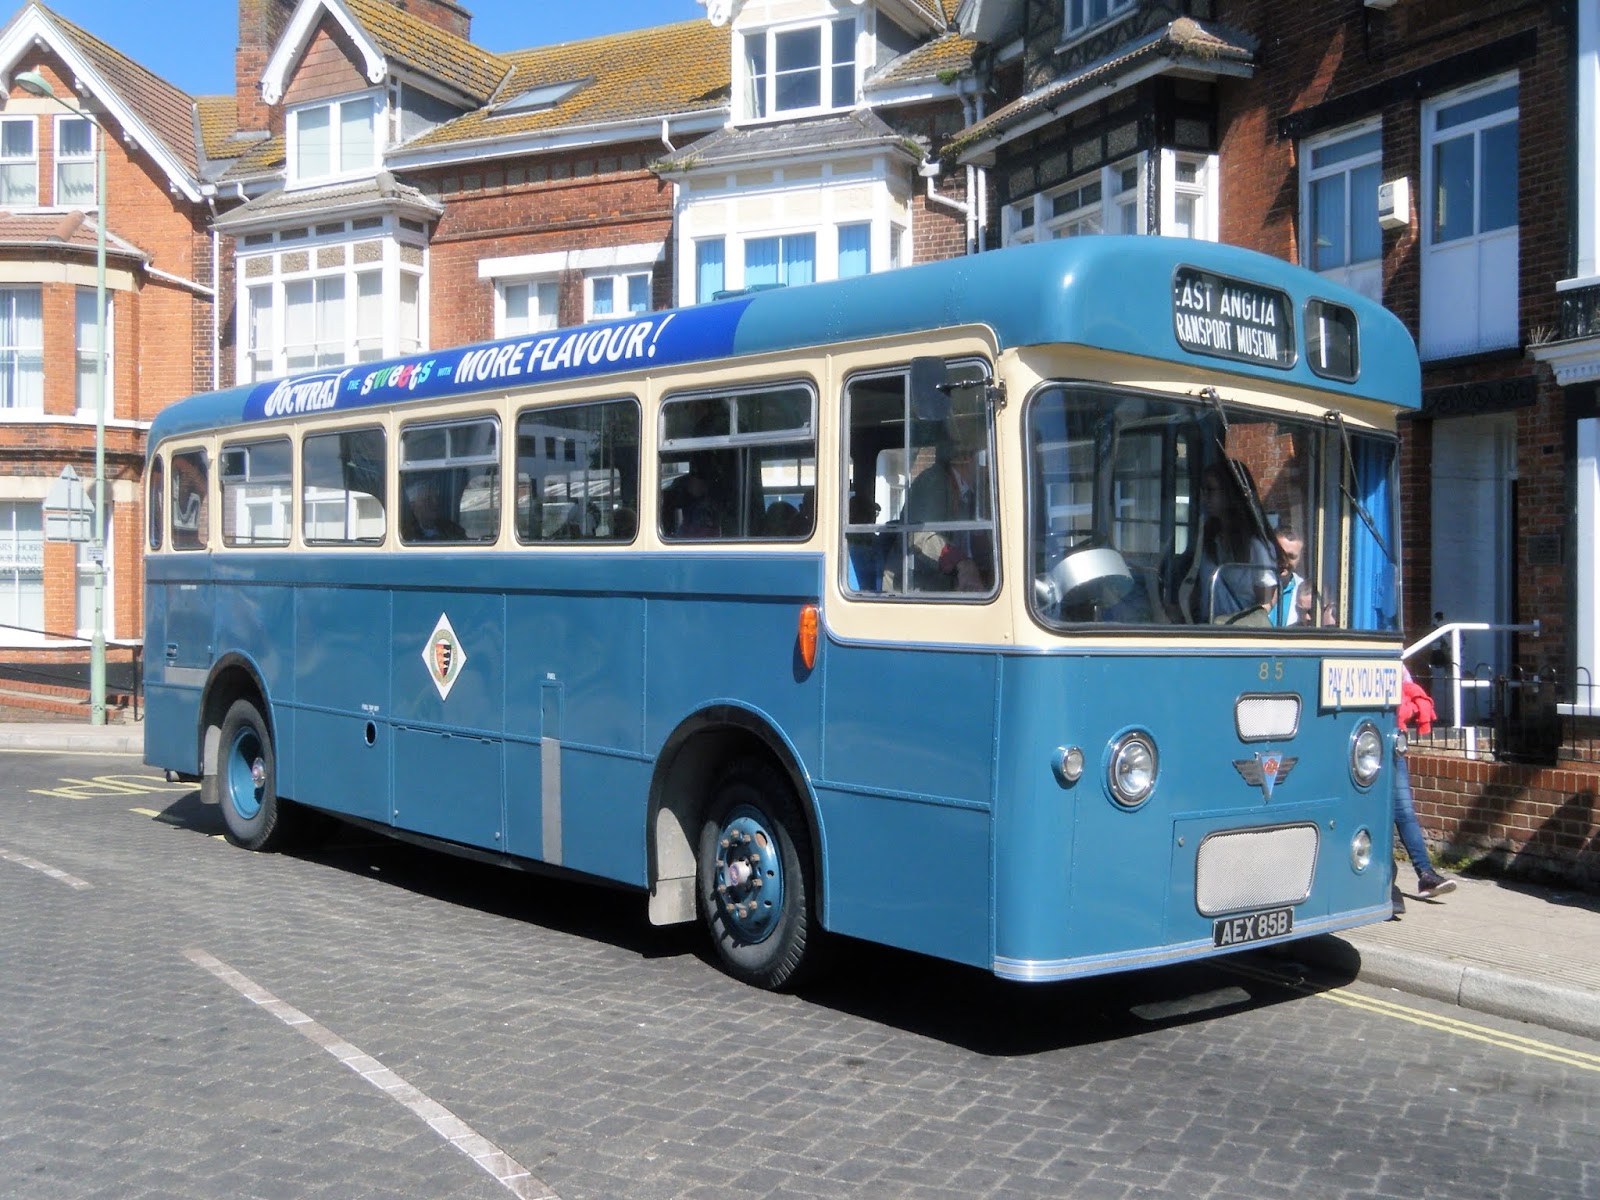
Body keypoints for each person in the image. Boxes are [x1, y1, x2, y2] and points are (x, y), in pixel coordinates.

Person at [1392, 665, 1457, 916]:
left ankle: (1426, 874)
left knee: (1405, 811)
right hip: (1360, 742)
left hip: (1390, 741)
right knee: (1374, 814)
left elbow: (1405, 682)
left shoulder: (1390, 657)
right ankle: (1386, 885)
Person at [1184, 459, 1282, 623]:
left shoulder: (1256, 546)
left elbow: (1266, 601)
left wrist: (1235, 623)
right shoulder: (1208, 538)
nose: (1204, 498)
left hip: (1236, 633)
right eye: (1202, 491)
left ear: (1230, 493)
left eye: (1211, 490)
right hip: (1204, 628)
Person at [902, 418, 992, 592]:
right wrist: (962, 564)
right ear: (964, 458)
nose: (989, 468)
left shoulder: (972, 495)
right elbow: (919, 535)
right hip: (914, 587)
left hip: (949, 584)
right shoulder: (934, 482)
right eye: (985, 459)